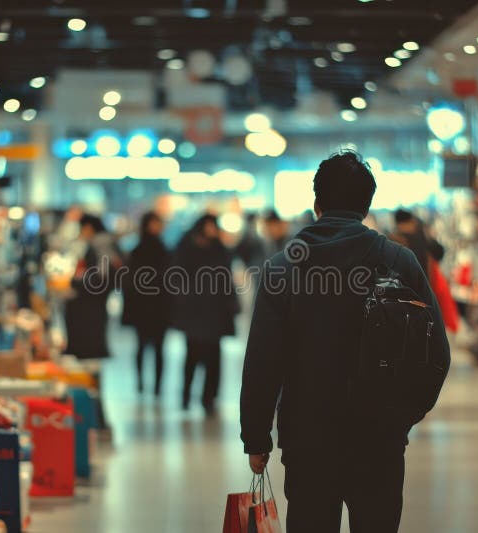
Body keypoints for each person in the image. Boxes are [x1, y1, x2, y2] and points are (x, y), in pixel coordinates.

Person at [240, 151, 450, 533]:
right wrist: (402, 418)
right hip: (379, 437)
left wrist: (256, 437)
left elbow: (262, 361)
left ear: (316, 202)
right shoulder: (398, 262)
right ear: (367, 204)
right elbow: (437, 353)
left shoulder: (283, 267)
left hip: (308, 440)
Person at [173, 214, 239, 415]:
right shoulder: (187, 247)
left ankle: (208, 398)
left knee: (213, 360)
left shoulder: (220, 249)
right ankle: (186, 395)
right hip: (195, 312)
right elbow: (176, 275)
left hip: (215, 312)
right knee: (192, 356)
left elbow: (227, 279)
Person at [65, 213, 121, 434]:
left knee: (90, 369)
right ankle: (97, 417)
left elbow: (99, 279)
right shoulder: (105, 244)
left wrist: (76, 284)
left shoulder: (99, 245)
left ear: (88, 226)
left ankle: (96, 418)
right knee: (92, 369)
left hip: (89, 317)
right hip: (93, 316)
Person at [122, 211, 171, 395]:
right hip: (145, 307)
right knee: (143, 346)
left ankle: (157, 385)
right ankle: (141, 382)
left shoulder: (163, 250)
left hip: (157, 307)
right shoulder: (139, 251)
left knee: (157, 349)